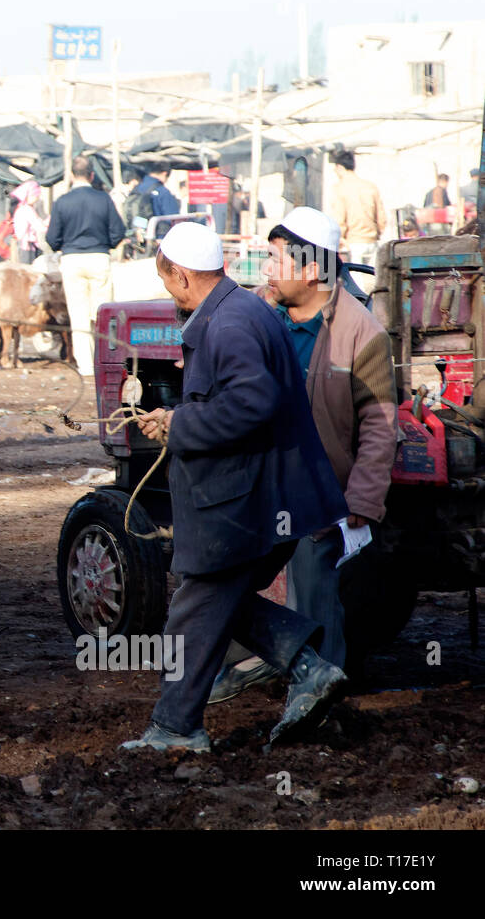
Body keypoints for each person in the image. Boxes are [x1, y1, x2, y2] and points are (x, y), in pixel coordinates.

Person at [119, 221, 351, 753]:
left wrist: (180, 425)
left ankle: (176, 729)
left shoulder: (227, 326)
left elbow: (251, 404)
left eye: (167, 283)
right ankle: (309, 668)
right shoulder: (241, 310)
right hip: (268, 498)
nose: (169, 295)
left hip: (245, 501)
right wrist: (179, 417)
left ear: (180, 275)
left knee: (195, 607)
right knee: (222, 602)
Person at [208, 208, 398, 702]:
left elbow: (380, 424)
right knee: (225, 576)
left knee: (316, 590)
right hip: (257, 483)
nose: (266, 270)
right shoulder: (256, 317)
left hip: (320, 491)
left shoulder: (362, 334)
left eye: (275, 259)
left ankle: (318, 698)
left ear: (312, 269)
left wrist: (363, 498)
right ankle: (245, 666)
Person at [45, 155, 127, 377]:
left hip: (72, 261)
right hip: (99, 258)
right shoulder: (103, 199)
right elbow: (119, 232)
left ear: (72, 175)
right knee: (102, 313)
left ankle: (87, 367)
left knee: (79, 315)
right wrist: (104, 244)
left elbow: (52, 239)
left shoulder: (62, 202)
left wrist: (67, 244)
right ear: (92, 175)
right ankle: (106, 360)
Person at [328, 149, 385, 273]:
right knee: (374, 282)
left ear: (339, 167)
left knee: (357, 287)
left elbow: (339, 219)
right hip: (373, 242)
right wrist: (376, 234)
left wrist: (339, 239)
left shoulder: (340, 188)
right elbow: (381, 218)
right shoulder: (370, 186)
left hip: (353, 244)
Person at [10, 179, 47, 264]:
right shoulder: (27, 210)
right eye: (35, 195)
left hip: (23, 245)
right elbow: (40, 227)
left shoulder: (21, 208)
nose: (37, 198)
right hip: (27, 246)